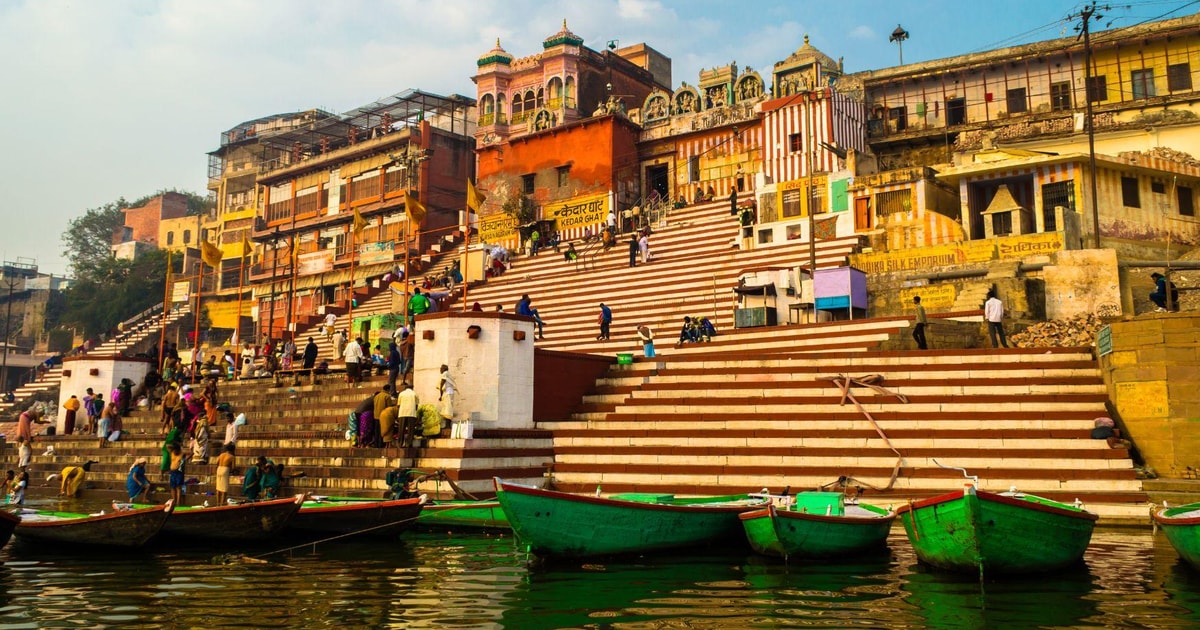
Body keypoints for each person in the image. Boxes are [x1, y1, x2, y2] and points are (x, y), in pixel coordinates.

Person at [396, 381, 420, 448]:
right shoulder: (415, 394)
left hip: (402, 413)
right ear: (412, 388)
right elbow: (416, 406)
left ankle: (400, 443)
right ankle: (408, 443)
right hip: (411, 413)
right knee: (410, 429)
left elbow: (398, 405)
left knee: (401, 429)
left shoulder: (401, 394)